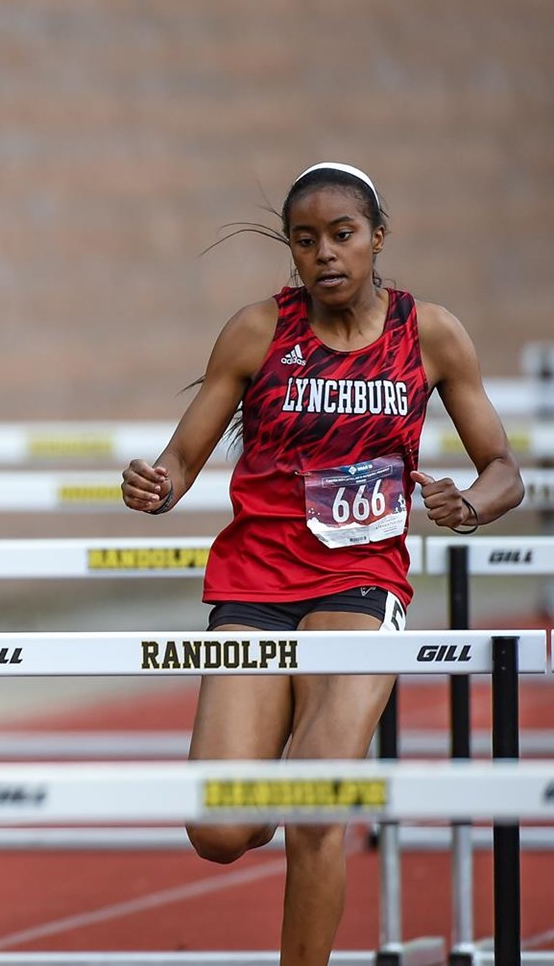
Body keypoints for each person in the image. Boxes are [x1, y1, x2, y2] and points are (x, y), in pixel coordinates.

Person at [120, 162, 522, 966]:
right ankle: (271, 761)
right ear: (292, 253)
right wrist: (154, 485)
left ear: (378, 237)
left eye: (342, 236)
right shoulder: (256, 331)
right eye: (306, 242)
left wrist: (470, 504)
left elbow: (505, 469)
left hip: (360, 584)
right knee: (220, 829)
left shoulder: (429, 333)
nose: (326, 255)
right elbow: (180, 461)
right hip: (255, 584)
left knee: (314, 807)